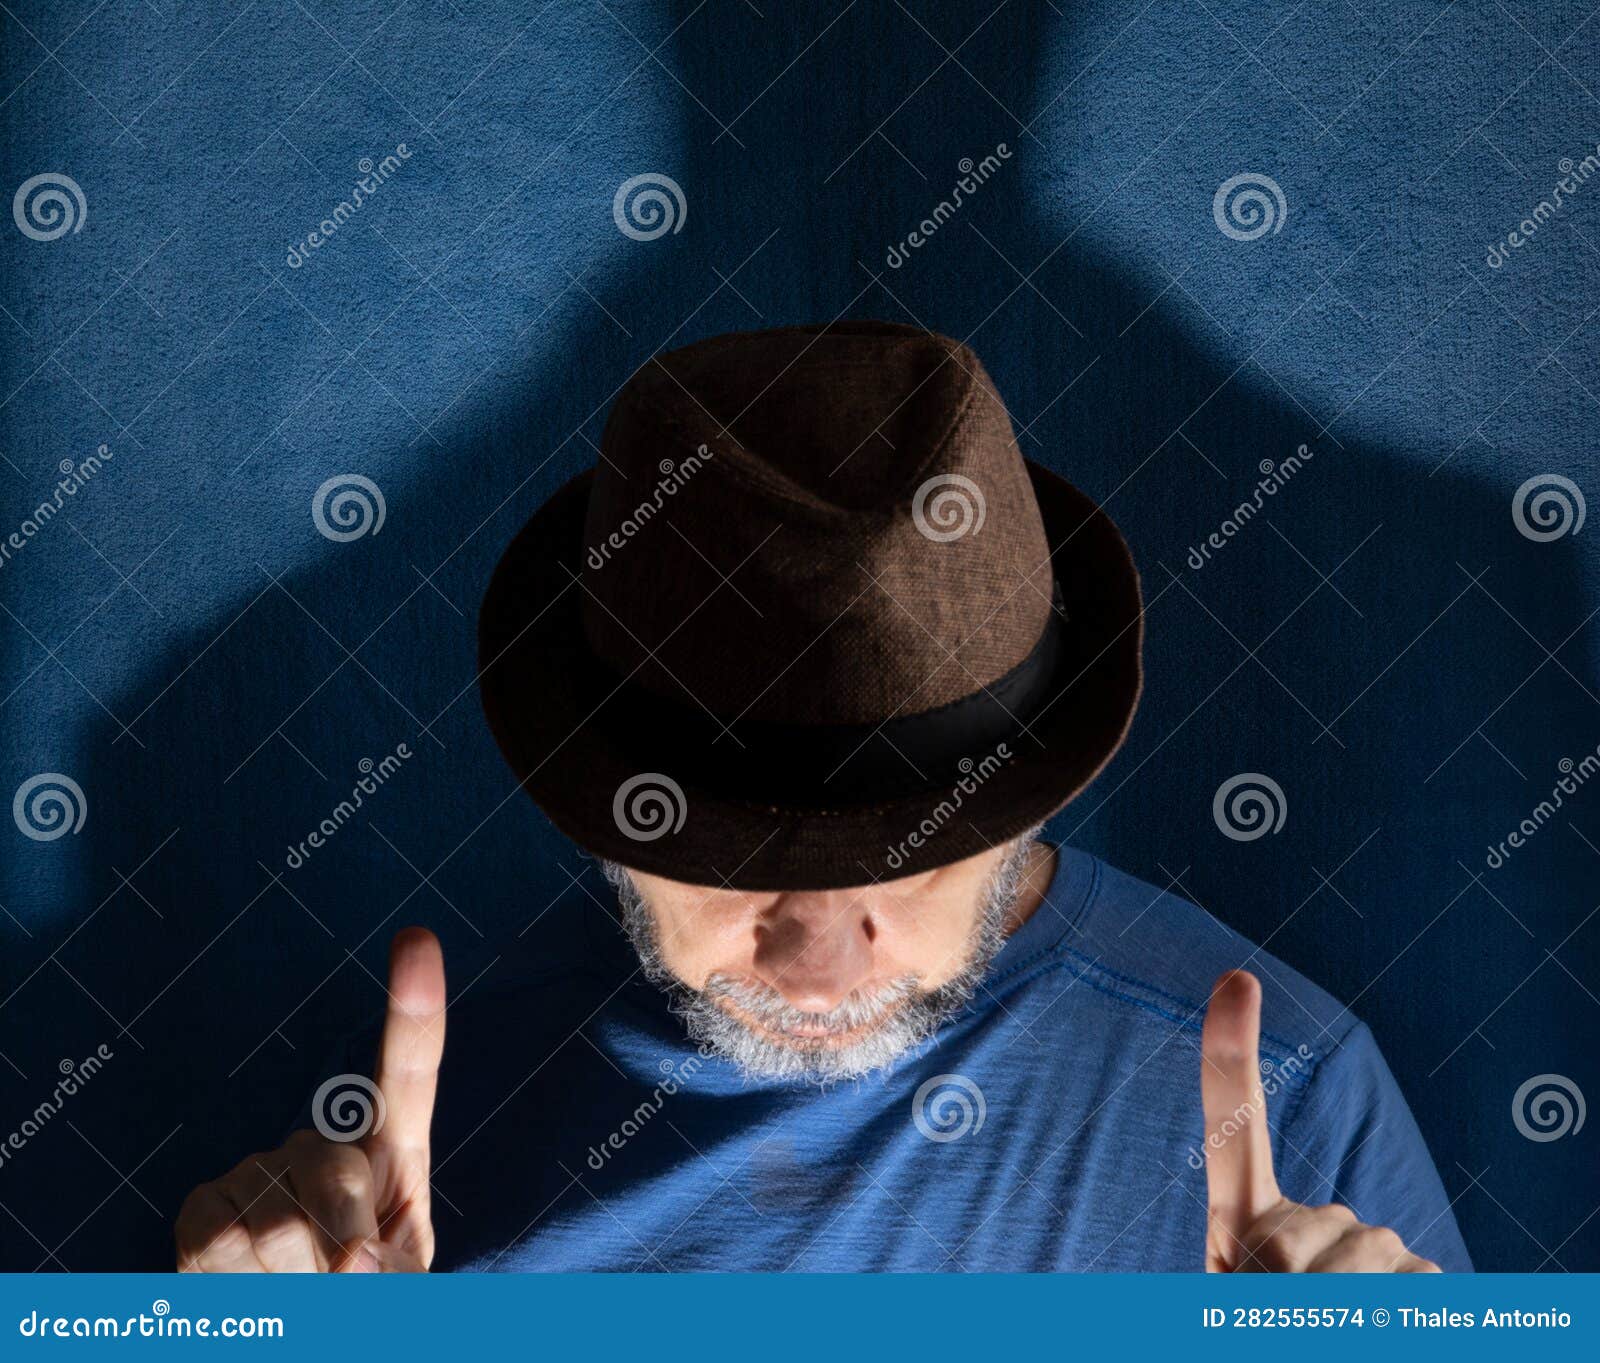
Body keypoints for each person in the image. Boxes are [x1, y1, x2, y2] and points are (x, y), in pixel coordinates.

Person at [174, 323, 1469, 1272]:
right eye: (739, 852)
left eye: (911, 853)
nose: (816, 952)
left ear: (1028, 801)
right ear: (600, 810)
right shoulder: (416, 1143)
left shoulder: (1289, 1111)